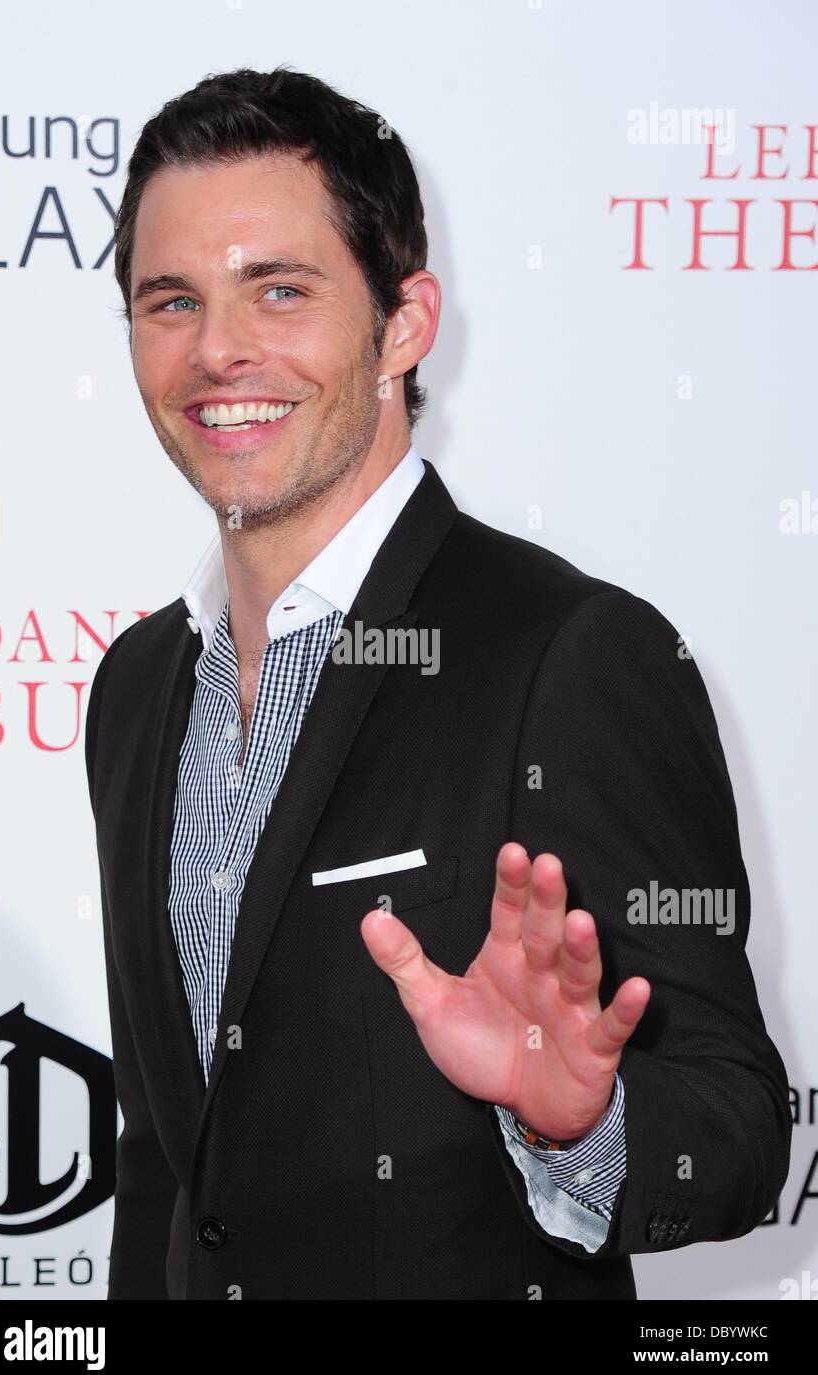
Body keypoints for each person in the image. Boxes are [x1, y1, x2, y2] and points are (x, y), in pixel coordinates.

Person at [85, 66, 792, 1300]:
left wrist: (580, 1122)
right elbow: (163, 1160)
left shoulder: (568, 653)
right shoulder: (140, 686)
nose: (217, 351)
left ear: (405, 324)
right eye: (170, 301)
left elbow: (735, 1129)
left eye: (281, 290)